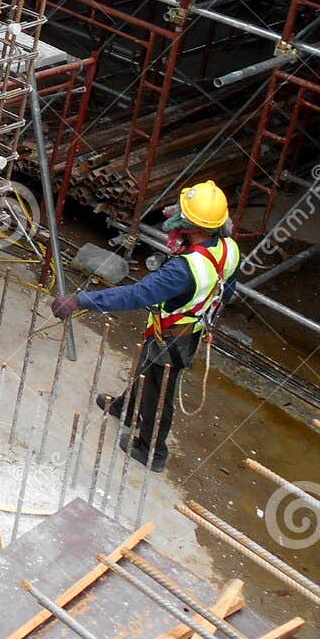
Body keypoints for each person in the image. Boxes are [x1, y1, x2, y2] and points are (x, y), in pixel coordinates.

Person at [51, 180, 238, 472]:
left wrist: (80, 300)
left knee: (158, 392)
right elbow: (226, 292)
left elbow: (135, 295)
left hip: (175, 336)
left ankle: (152, 450)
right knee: (147, 368)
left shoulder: (183, 270)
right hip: (186, 328)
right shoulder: (229, 248)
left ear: (192, 227)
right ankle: (127, 409)